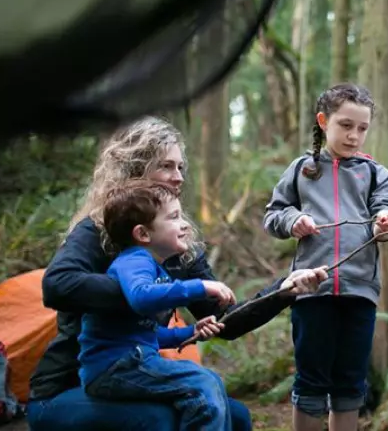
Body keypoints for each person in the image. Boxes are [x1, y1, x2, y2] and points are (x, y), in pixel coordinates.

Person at [27, 117, 328, 431]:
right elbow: (57, 285)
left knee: (235, 415)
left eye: (181, 167)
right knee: (160, 420)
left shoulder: (173, 246)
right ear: (135, 170)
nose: (178, 177)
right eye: (167, 166)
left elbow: (224, 318)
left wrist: (284, 290)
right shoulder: (96, 230)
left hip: (131, 376)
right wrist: (143, 291)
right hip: (70, 387)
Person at [263, 83, 388, 431]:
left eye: (362, 128)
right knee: (311, 380)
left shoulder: (375, 174)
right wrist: (294, 221)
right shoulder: (301, 170)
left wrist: (385, 224)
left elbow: (385, 213)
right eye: (346, 125)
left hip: (359, 293)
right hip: (311, 291)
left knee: (350, 383)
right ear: (324, 121)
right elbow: (274, 215)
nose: (354, 136)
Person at [80, 181, 237, 430]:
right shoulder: (134, 260)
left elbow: (144, 332)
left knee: (210, 381)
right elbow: (141, 298)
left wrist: (191, 332)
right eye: (174, 217)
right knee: (202, 383)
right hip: (114, 366)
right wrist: (200, 286)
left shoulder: (154, 267)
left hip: (129, 362)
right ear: (143, 234)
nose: (185, 224)